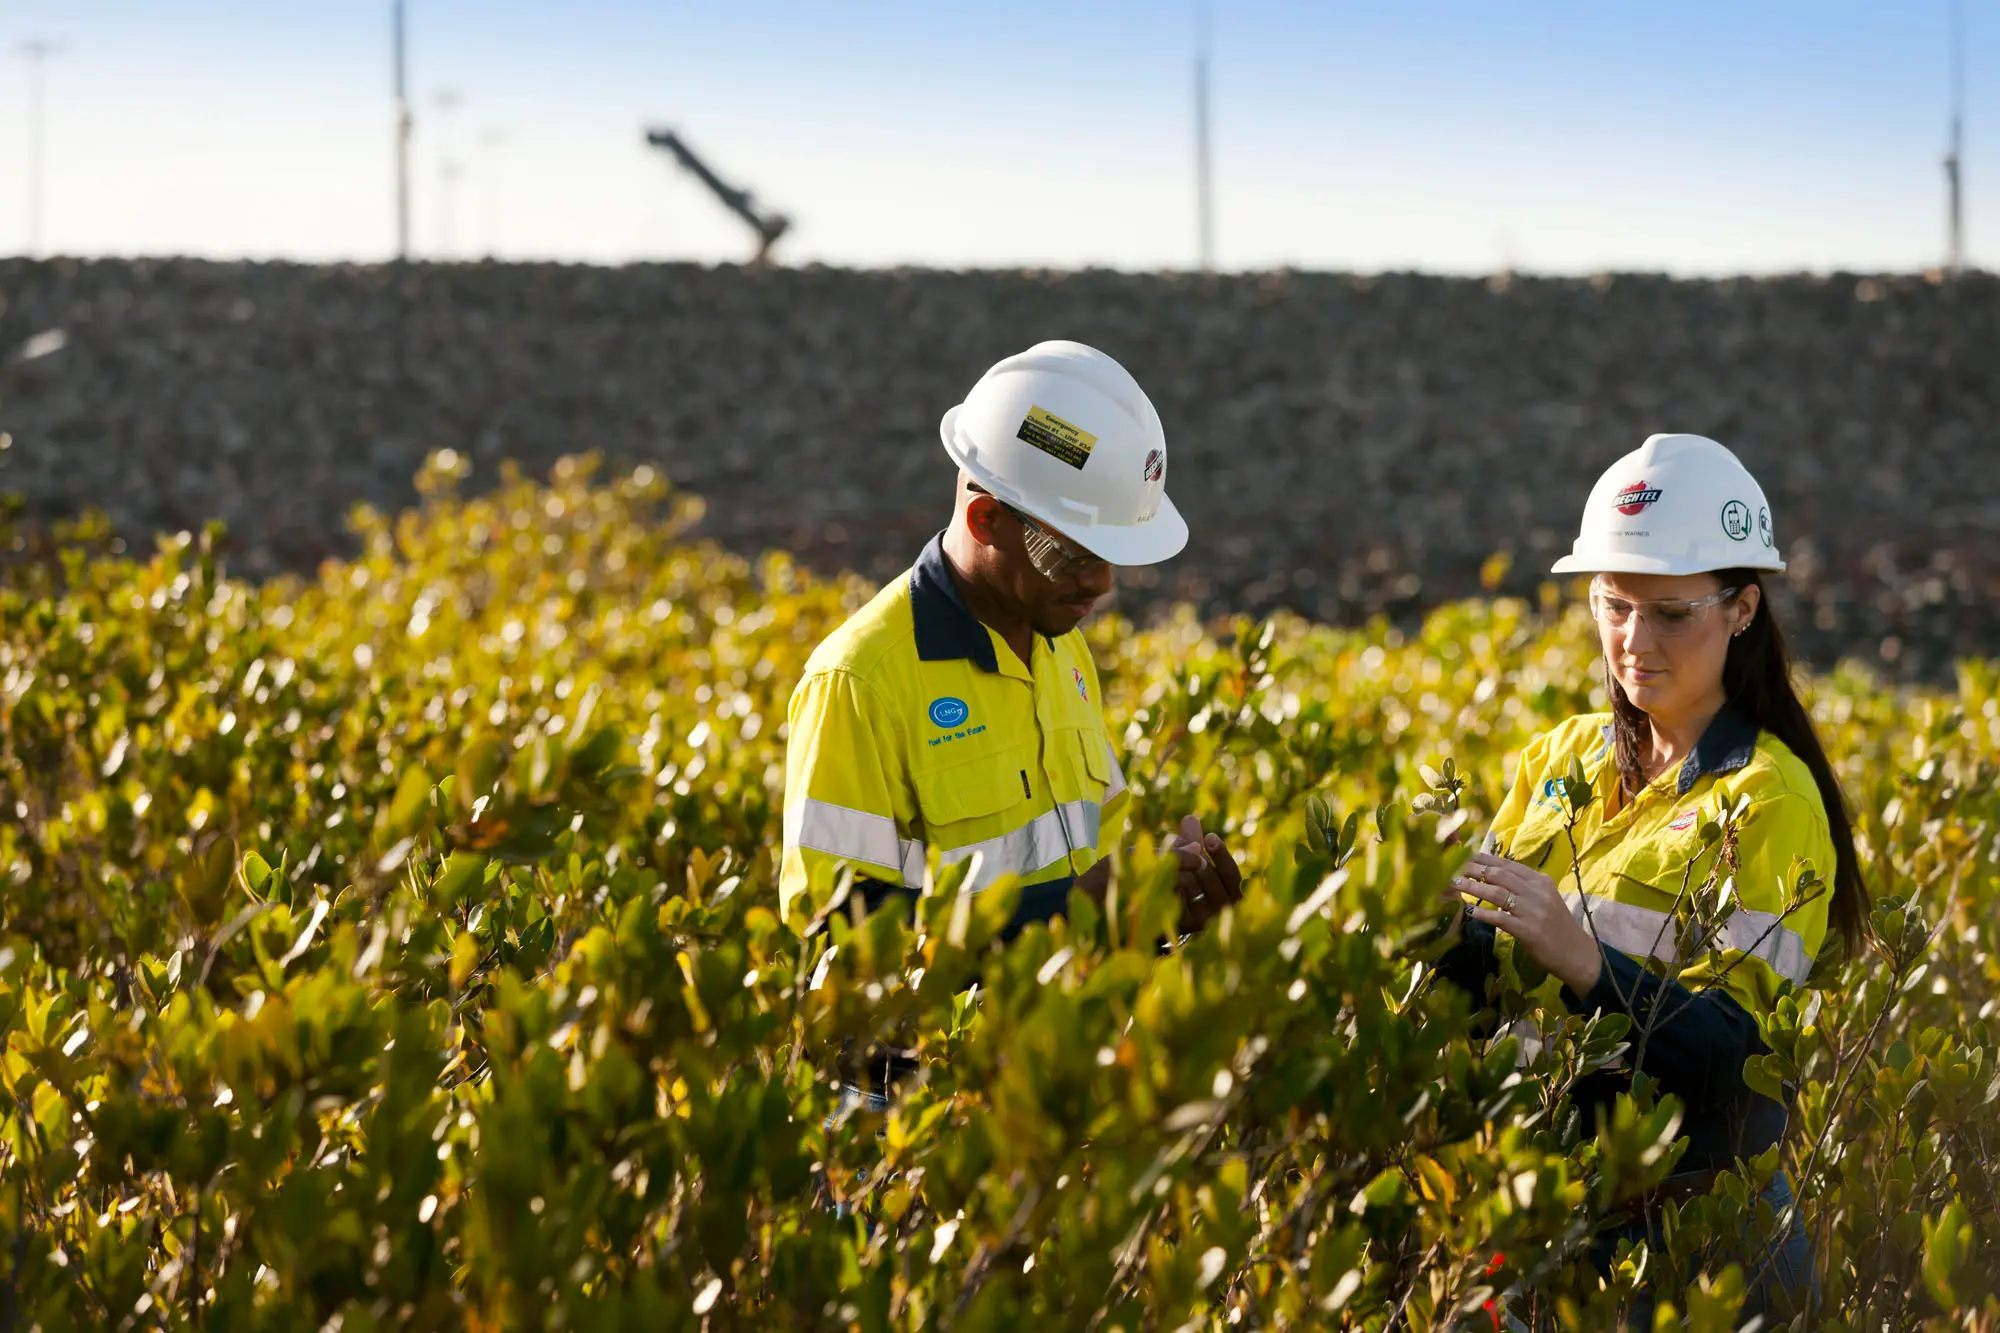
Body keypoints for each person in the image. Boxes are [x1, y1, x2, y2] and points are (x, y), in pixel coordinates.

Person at [1436, 433, 1865, 1322]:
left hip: (1694, 1242)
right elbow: (1484, 994)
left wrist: (1585, 962)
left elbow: (1742, 1064)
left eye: (1672, 614)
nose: (1634, 641)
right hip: (1541, 1217)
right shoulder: (1558, 757)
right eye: (1613, 605)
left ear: (1743, 608)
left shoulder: (1769, 797)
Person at [781, 340, 1244, 1102]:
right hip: (919, 1127)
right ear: (987, 518)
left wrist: (1169, 905)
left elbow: (1098, 868)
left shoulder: (1063, 649)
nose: (1101, 583)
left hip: (1059, 1095)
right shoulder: (859, 682)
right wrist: (1073, 910)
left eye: (1112, 555)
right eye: (1075, 555)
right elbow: (837, 949)